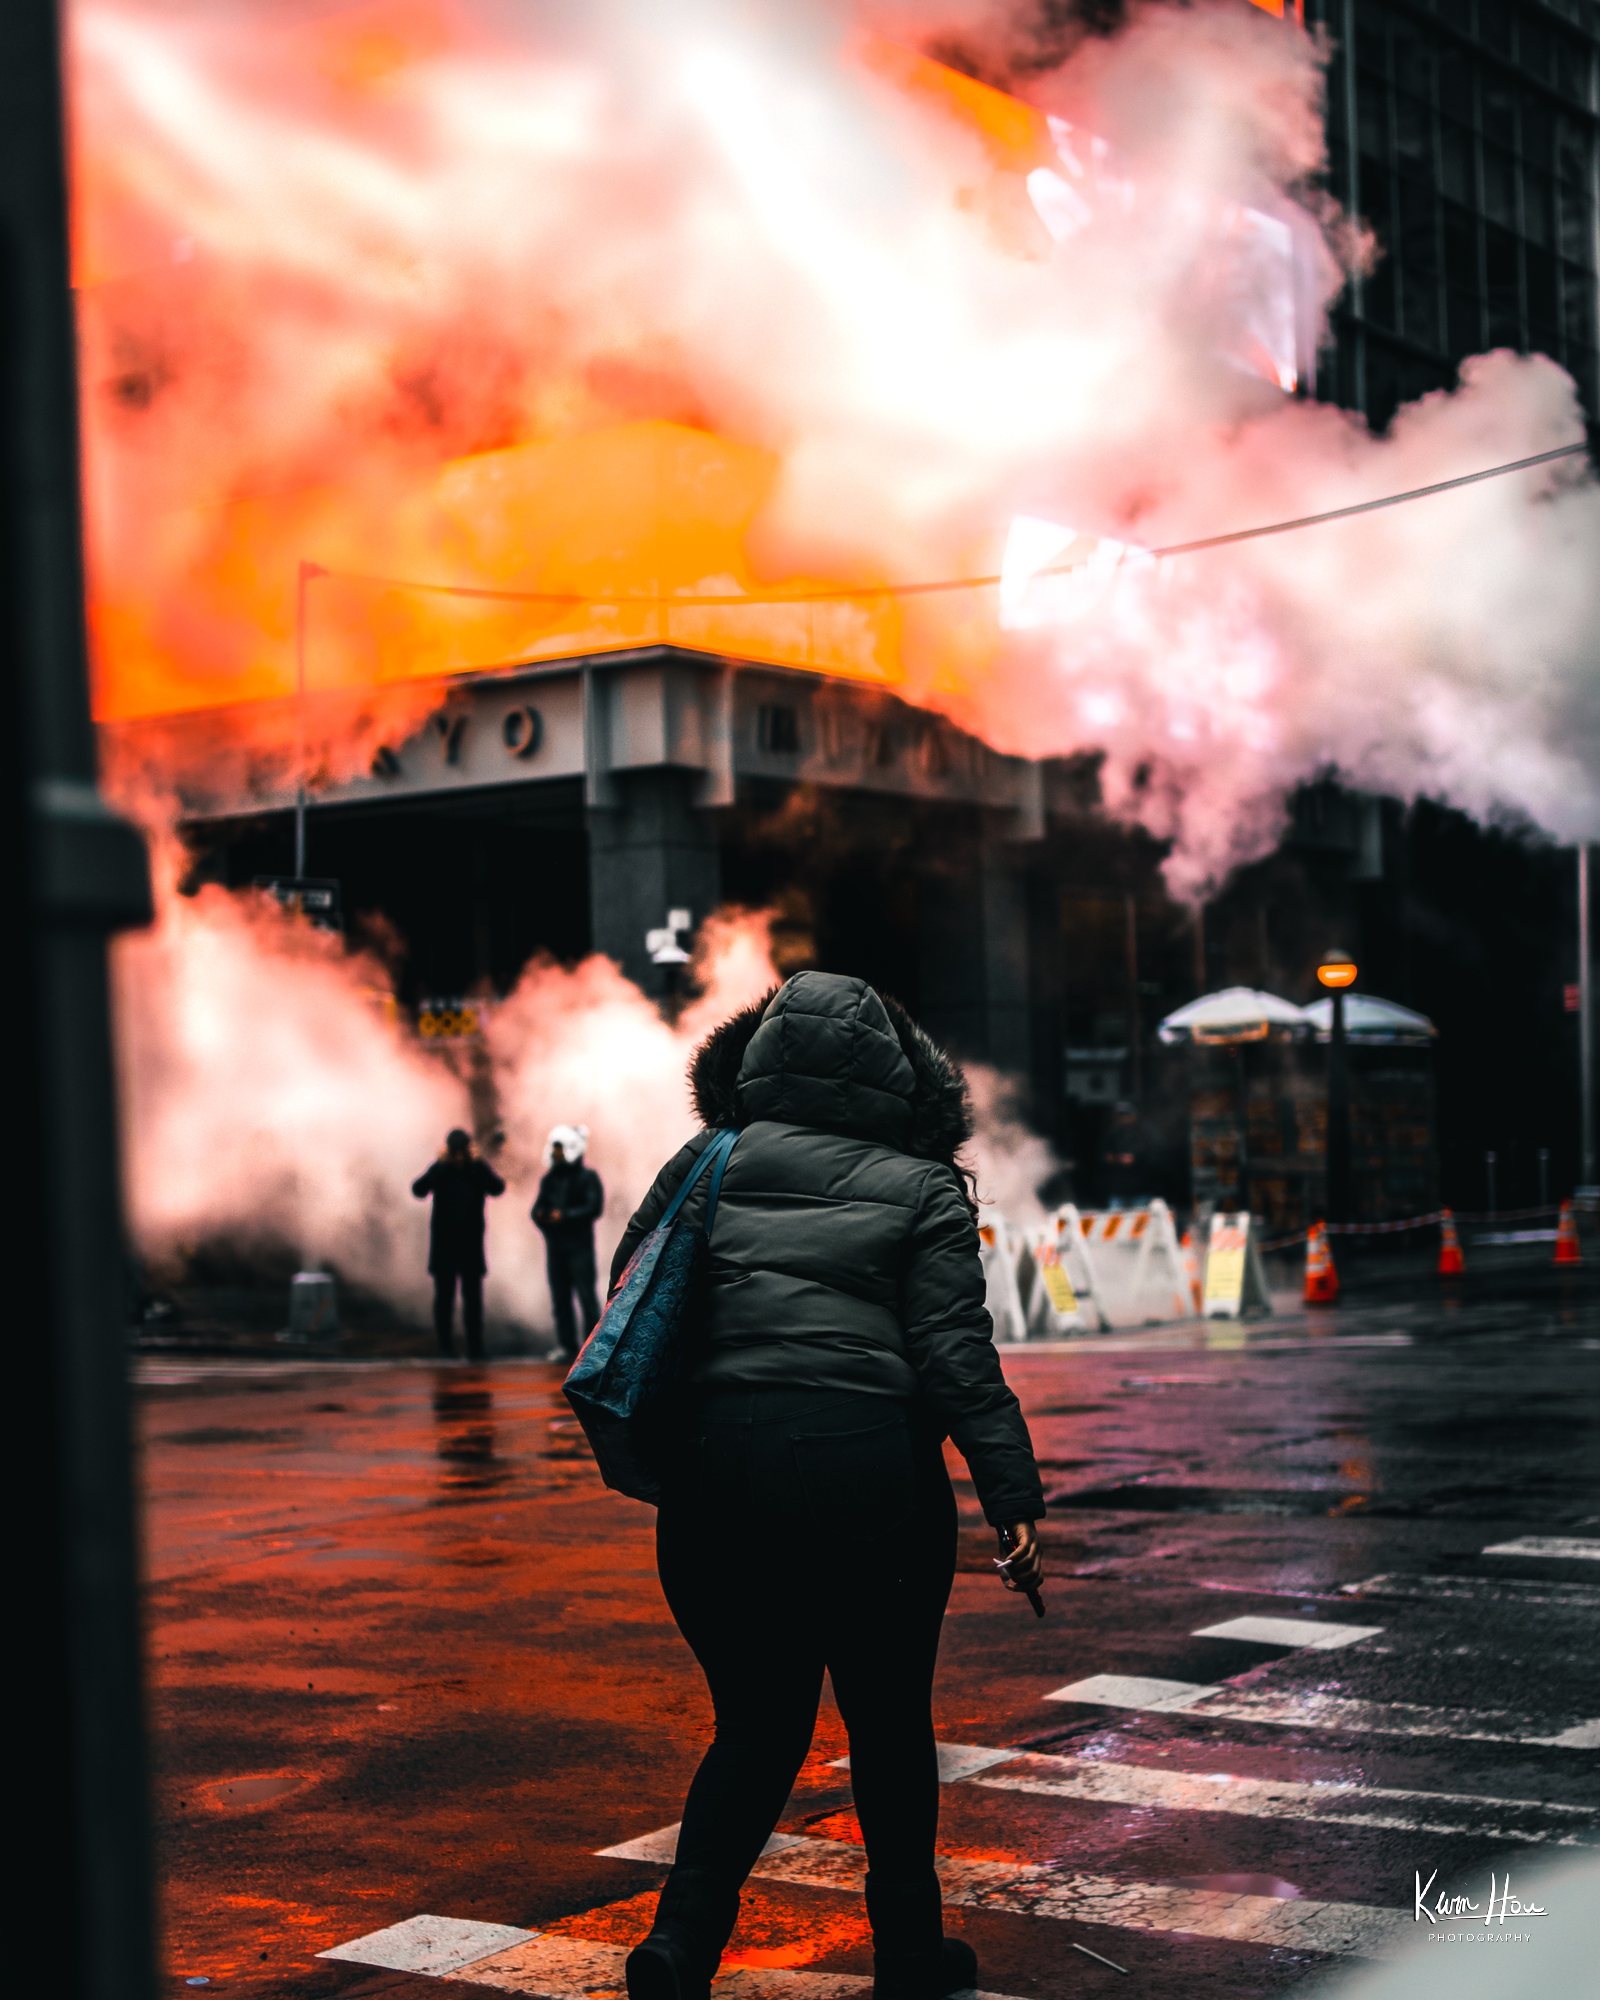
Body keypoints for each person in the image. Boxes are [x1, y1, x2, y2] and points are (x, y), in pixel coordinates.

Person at [612, 972, 1045, 2000]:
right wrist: (1009, 1491)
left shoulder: (705, 1160)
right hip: (868, 1475)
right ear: (899, 1074)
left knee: (755, 1723)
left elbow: (636, 1292)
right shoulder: (923, 1184)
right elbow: (954, 1356)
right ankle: (907, 1954)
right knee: (888, 1719)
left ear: (753, 1061)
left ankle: (679, 1943)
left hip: (719, 1478)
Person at [412, 1128, 505, 1360]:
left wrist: (477, 1167)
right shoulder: (440, 1169)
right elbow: (418, 1189)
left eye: (462, 1151)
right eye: (455, 1151)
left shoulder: (477, 1168)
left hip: (470, 1245)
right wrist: (440, 1167)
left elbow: (497, 1187)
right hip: (445, 1246)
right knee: (445, 1300)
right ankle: (445, 1348)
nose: (459, 1156)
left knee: (472, 1300)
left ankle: (475, 1348)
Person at [532, 1124, 605, 1360]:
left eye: (559, 1149)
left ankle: (593, 1348)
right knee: (560, 1299)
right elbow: (536, 1210)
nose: (555, 1154)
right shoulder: (549, 1179)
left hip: (580, 1248)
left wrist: (562, 1217)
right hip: (556, 1249)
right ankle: (568, 1346)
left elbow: (594, 1208)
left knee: (586, 1298)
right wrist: (544, 1218)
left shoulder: (588, 1177)